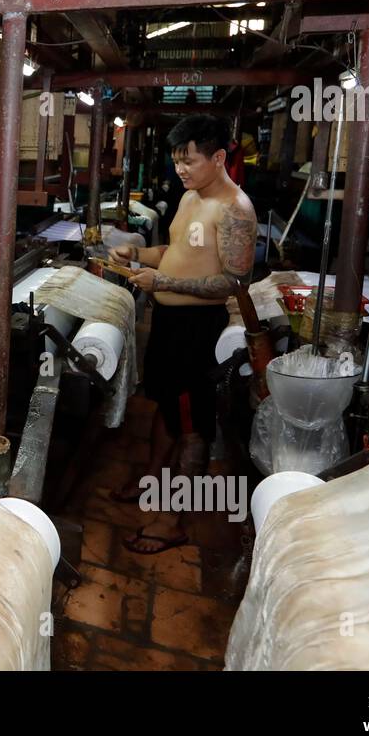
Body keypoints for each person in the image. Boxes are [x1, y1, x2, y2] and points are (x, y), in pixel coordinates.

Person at [109, 114, 257, 554]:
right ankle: (152, 480)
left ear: (218, 157)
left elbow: (235, 282)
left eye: (189, 162)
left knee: (194, 425)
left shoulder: (235, 209)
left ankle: (174, 519)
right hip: (170, 326)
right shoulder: (191, 197)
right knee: (165, 405)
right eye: (177, 162)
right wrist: (137, 253)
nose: (181, 170)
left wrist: (167, 284)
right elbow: (174, 252)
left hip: (198, 331)